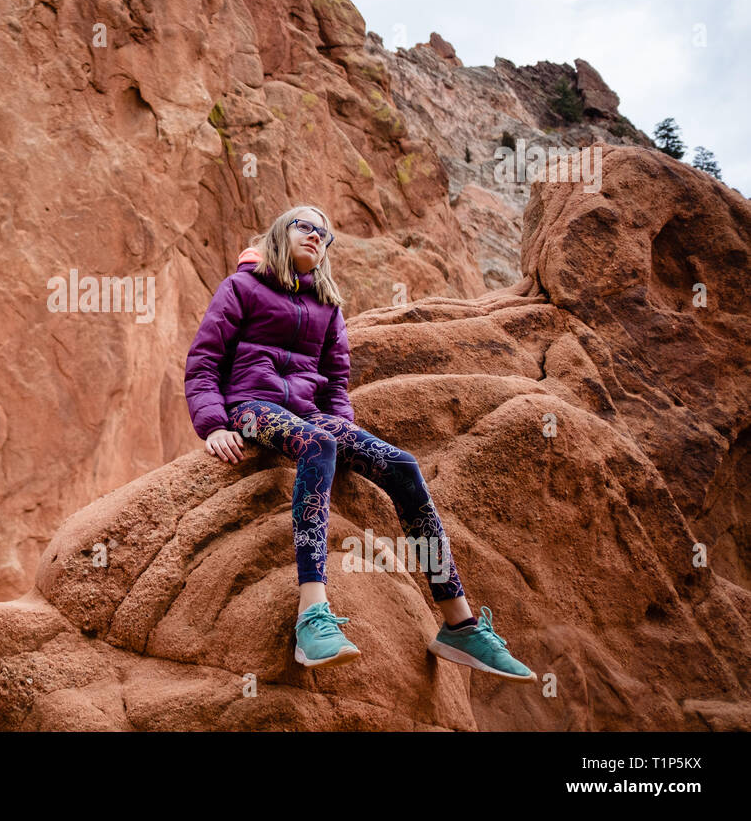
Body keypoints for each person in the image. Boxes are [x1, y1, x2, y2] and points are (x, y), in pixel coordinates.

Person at [184, 204, 536, 681]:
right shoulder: (241, 287)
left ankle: (460, 624)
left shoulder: (328, 305)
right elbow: (205, 360)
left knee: (402, 465)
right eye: (305, 227)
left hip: (310, 414)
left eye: (324, 235)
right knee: (317, 446)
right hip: (252, 406)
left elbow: (335, 381)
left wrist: (342, 428)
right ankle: (312, 615)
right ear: (279, 233)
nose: (315, 237)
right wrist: (214, 424)